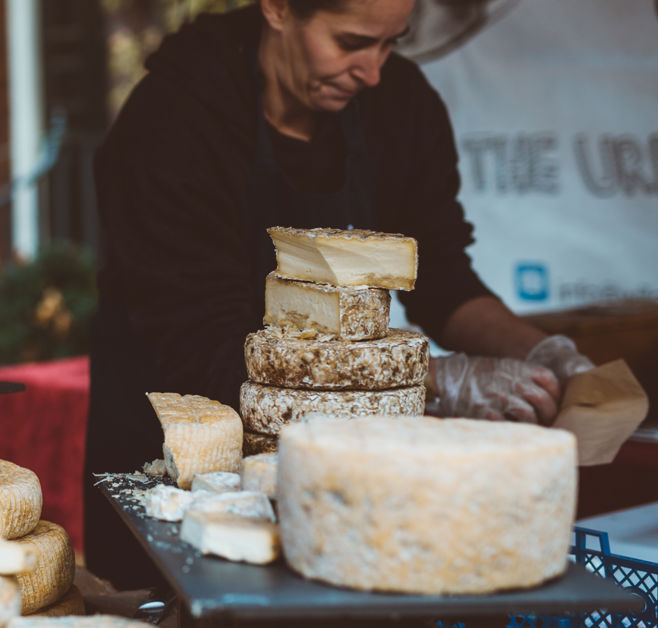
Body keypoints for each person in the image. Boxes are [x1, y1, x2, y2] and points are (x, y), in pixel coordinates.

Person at [84, 0, 594, 589]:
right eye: (351, 43)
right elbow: (208, 344)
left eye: (390, 43)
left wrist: (542, 351)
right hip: (182, 466)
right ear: (278, 9)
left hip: (337, 475)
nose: (372, 71)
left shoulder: (401, 106)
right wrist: (431, 381)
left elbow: (444, 276)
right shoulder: (173, 121)